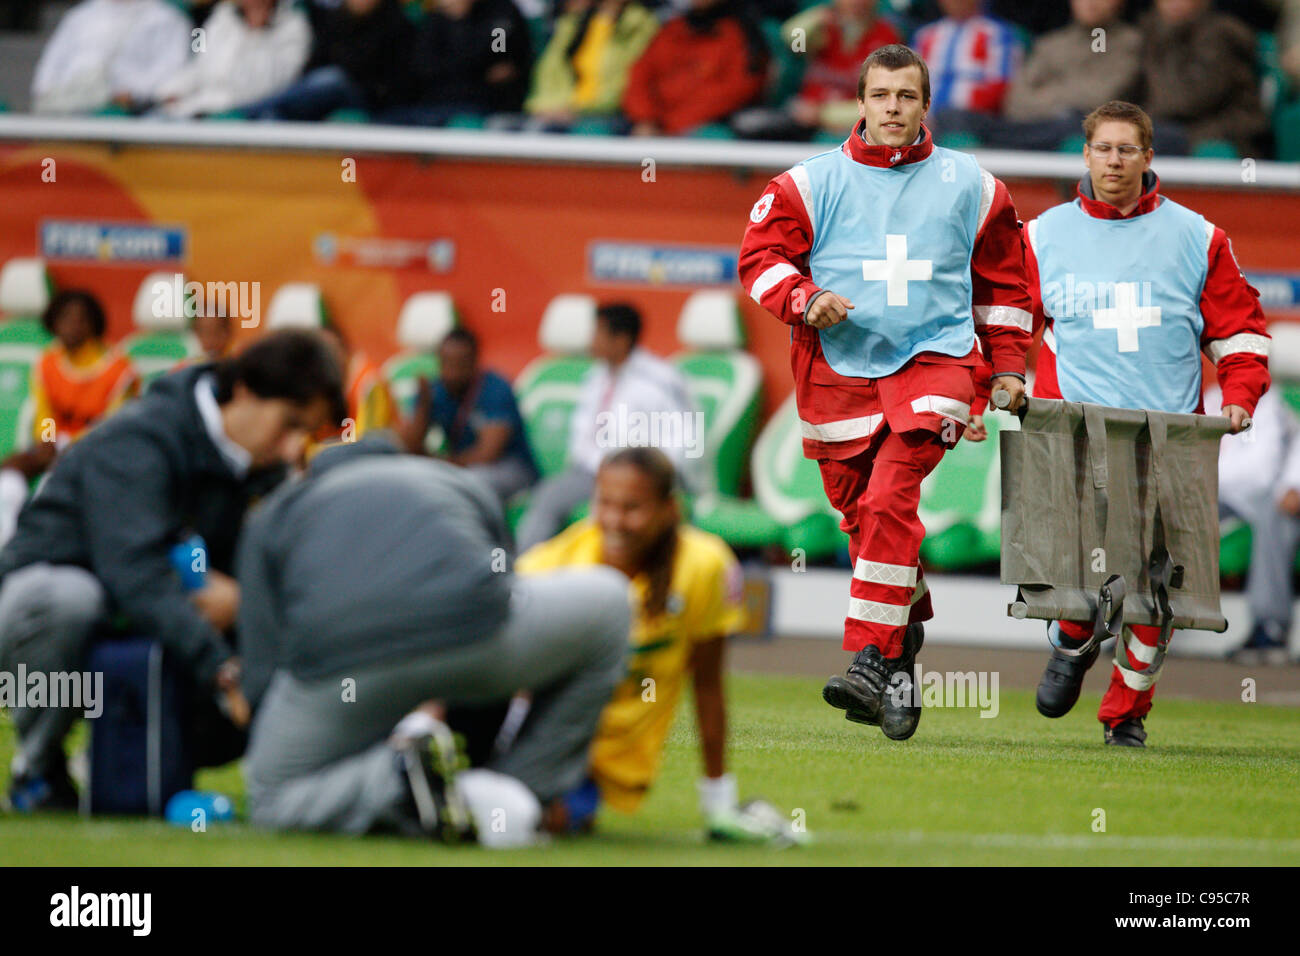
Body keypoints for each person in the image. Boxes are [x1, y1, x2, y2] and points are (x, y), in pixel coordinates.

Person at [737, 43, 1032, 740]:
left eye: (906, 96)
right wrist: (804, 298)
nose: (893, 108)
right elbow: (758, 259)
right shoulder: (807, 184)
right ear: (861, 103)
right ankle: (902, 654)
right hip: (837, 374)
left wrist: (1010, 366)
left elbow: (1006, 287)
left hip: (940, 364)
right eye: (880, 96)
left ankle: (869, 657)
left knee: (890, 496)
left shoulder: (974, 185)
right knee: (863, 521)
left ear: (926, 104)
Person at [0, 330, 345, 810]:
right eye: (288, 425)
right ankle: (37, 770)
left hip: (141, 625)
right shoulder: (141, 438)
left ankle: (120, 759)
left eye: (305, 435)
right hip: (34, 619)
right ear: (243, 391)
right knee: (68, 598)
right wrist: (225, 672)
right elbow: (135, 573)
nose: (293, 450)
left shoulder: (264, 469)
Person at [236, 433, 630, 845]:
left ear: (310, 474)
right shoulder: (449, 477)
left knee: (271, 797)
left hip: (350, 665)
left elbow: (263, 670)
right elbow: (503, 581)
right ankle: (514, 793)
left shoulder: (280, 509)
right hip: (477, 636)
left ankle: (399, 778)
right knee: (611, 604)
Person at [1023, 100, 1271, 746]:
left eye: (1126, 149)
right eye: (1103, 148)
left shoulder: (1198, 238)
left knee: (1157, 590)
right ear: (1085, 155)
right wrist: (987, 386)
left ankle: (1125, 716)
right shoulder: (1042, 235)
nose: (1114, 160)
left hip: (1169, 438)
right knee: (1077, 573)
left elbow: (1240, 331)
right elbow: (1002, 323)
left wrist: (1240, 393)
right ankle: (1074, 638)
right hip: (1071, 431)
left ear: (1148, 156)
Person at [517, 447, 797, 842]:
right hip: (528, 741)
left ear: (670, 509)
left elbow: (707, 685)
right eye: (605, 503)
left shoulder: (705, 567)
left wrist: (719, 801)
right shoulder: (550, 566)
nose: (614, 520)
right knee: (503, 819)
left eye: (632, 507)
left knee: (534, 821)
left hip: (604, 766)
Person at [516, 302, 697, 551]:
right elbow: (584, 437)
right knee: (548, 498)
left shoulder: (658, 382)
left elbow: (682, 440)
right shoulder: (597, 376)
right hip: (590, 473)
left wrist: (654, 478)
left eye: (597, 333)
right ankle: (523, 576)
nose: (591, 341)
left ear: (621, 340)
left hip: (638, 476)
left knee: (615, 512)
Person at [0, 291, 139, 547]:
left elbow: (111, 425)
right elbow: (46, 412)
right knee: (12, 468)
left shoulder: (119, 370)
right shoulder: (47, 362)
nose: (72, 327)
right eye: (65, 319)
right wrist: (48, 440)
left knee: (54, 482)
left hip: (96, 449)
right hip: (56, 443)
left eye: (81, 320)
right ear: (53, 322)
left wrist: (72, 446)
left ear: (94, 324)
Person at [939, 0, 1142, 152]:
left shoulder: (1129, 42)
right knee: (955, 117)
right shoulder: (1051, 43)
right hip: (1032, 126)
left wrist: (1050, 94)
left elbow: (1100, 97)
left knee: (1081, 123)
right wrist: (1061, 103)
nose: (1090, 2)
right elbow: (1016, 102)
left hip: (1077, 129)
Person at [1206, 382, 1299, 665]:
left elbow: (1286, 451)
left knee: (1277, 515)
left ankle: (1270, 628)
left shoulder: (1272, 401)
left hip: (1267, 494)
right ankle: (1139, 626)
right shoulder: (1209, 399)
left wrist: (1293, 484)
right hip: (1220, 494)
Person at [400, 327, 538, 504]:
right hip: (460, 467)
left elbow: (487, 454)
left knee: (472, 483)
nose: (452, 373)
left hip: (510, 467)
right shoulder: (435, 391)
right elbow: (409, 449)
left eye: (460, 365)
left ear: (475, 362)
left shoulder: (496, 389)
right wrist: (423, 406)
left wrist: (437, 463)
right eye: (447, 363)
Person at [1137, 0, 1266, 156]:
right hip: (1171, 127)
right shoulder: (1147, 31)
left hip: (1224, 130)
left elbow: (1188, 100)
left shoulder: (1222, 35)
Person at [621, 0, 768, 136]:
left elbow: (736, 90)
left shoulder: (743, 34)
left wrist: (671, 125)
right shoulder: (672, 30)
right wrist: (646, 118)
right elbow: (640, 76)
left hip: (709, 125)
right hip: (653, 125)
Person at [151, 0, 311, 119]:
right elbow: (199, 65)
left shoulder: (293, 27)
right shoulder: (220, 17)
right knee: (152, 122)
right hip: (196, 107)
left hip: (245, 112)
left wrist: (257, 32)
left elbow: (267, 88)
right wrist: (172, 90)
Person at [31, 0, 191, 115]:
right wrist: (45, 89)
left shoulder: (166, 19)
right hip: (65, 102)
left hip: (123, 109)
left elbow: (170, 70)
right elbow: (51, 63)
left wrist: (133, 93)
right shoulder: (80, 15)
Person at [523, 0, 660, 132]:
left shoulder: (641, 24)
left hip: (610, 115)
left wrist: (579, 109)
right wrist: (548, 105)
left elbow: (631, 78)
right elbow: (552, 70)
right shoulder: (576, 22)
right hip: (565, 112)